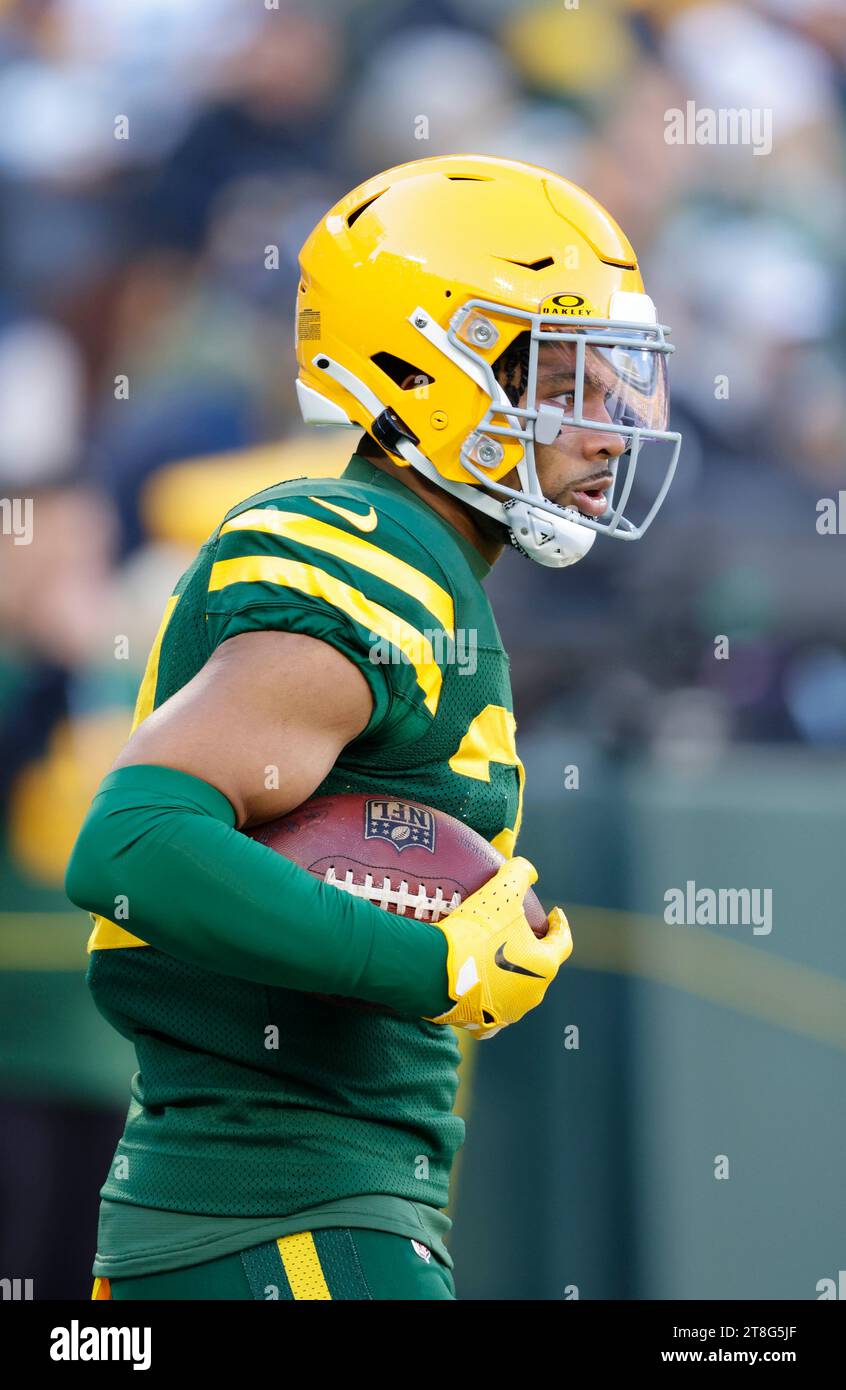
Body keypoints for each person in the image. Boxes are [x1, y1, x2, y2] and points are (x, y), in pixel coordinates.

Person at [66, 154, 681, 1302]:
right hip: (288, 1223)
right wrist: (431, 957)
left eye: (615, 383)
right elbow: (132, 842)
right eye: (563, 376)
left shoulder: (424, 569)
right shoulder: (365, 550)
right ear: (430, 363)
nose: (607, 427)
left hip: (268, 1221)